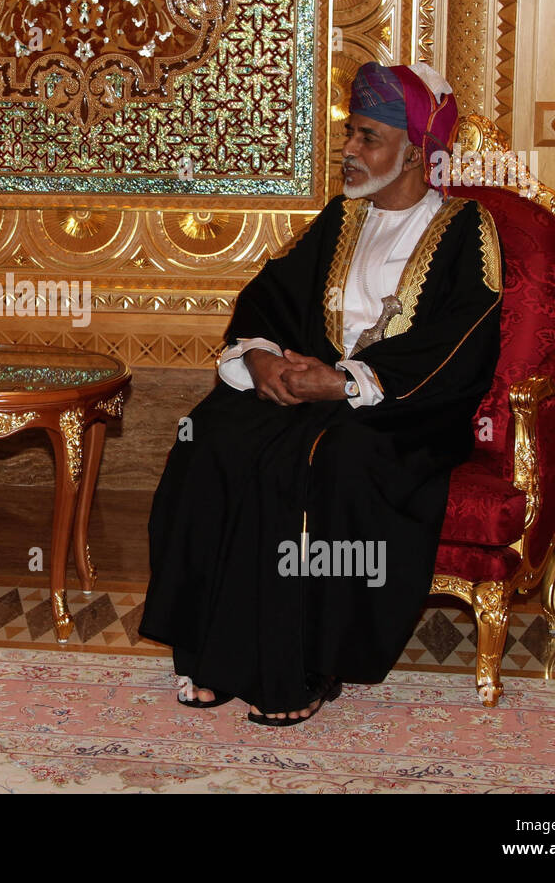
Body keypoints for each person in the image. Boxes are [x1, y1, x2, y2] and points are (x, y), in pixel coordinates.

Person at [139, 61, 502, 724]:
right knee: (214, 434)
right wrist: (262, 364)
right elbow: (270, 299)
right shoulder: (341, 218)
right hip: (310, 392)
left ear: (417, 151)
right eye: (349, 134)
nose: (349, 151)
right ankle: (213, 653)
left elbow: (464, 336)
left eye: (368, 137)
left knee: (327, 459)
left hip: (403, 411)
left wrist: (345, 383)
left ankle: (303, 666)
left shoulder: (464, 227)